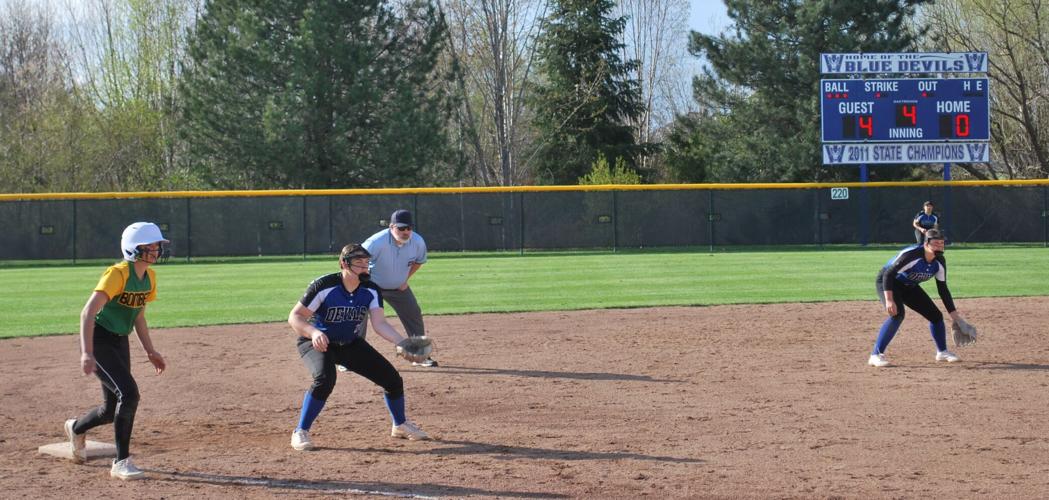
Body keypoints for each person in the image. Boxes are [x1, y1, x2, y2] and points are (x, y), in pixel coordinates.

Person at [288, 243, 429, 451]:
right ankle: (300, 431)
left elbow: (379, 323)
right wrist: (314, 332)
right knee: (325, 380)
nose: (365, 267)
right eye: (359, 263)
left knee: (392, 379)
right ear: (344, 264)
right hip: (316, 342)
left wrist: (402, 342)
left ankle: (400, 425)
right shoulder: (325, 285)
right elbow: (295, 317)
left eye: (367, 263)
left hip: (350, 343)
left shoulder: (370, 289)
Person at [65, 222, 169, 480]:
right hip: (98, 340)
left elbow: (138, 317)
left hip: (119, 341)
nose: (157, 249)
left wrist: (150, 350)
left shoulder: (149, 278)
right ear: (134, 250)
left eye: (158, 245)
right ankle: (121, 462)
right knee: (130, 394)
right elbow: (87, 312)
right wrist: (86, 353)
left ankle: (76, 428)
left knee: (110, 409)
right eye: (152, 246)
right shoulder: (118, 274)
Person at [868, 228, 971, 368]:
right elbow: (888, 275)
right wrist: (890, 300)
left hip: (909, 285)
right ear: (926, 244)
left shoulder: (939, 261)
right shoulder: (911, 255)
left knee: (935, 316)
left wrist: (956, 317)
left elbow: (943, 289)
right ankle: (875, 355)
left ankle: (942, 352)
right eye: (936, 243)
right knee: (897, 315)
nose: (940, 246)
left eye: (942, 243)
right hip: (889, 282)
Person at [360, 209, 436, 367]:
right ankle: (350, 358)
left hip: (398, 288)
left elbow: (418, 262)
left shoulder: (418, 242)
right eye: (401, 228)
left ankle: (420, 354)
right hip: (372, 287)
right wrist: (363, 283)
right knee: (357, 317)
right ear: (391, 227)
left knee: (413, 313)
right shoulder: (376, 242)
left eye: (409, 228)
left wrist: (404, 279)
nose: (406, 231)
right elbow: (357, 260)